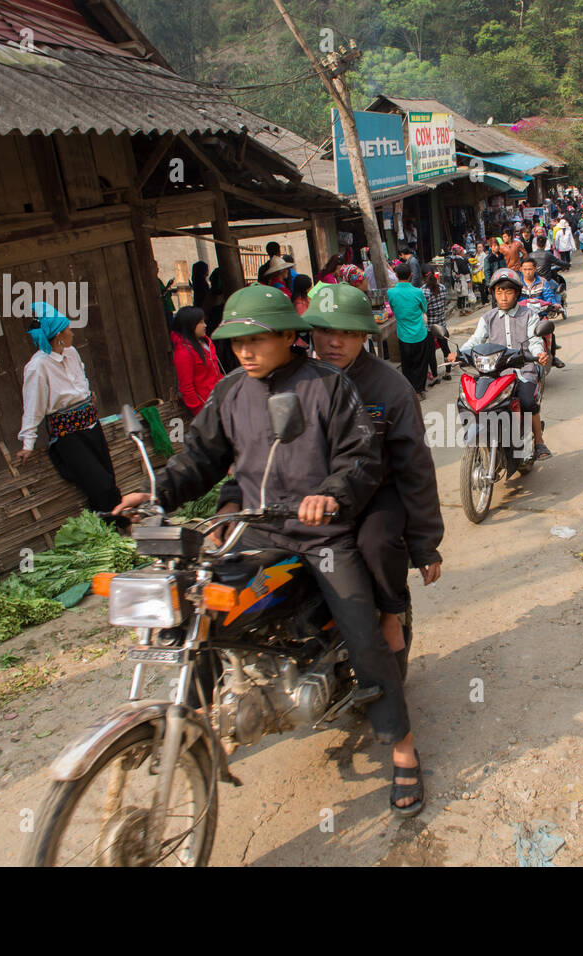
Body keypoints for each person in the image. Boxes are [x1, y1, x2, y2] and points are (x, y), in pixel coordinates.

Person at [114, 285, 424, 815]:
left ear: (287, 335)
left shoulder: (327, 385)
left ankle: (402, 749)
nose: (245, 351)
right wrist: (158, 492)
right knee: (202, 610)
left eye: (256, 340)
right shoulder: (231, 390)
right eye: (235, 342)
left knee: (363, 632)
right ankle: (186, 730)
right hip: (254, 531)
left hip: (321, 534)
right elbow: (201, 458)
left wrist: (329, 495)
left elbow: (361, 459)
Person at [298, 284, 444, 678]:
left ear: (365, 335)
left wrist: (426, 544)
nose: (333, 342)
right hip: (314, 500)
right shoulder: (297, 382)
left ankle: (392, 616)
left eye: (346, 332)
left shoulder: (390, 388)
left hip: (377, 497)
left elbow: (416, 467)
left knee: (375, 542)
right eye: (325, 330)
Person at [16, 301, 124, 522]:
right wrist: (28, 443)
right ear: (58, 336)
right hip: (70, 437)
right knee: (100, 484)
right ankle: (122, 524)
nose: (72, 333)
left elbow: (79, 378)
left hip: (92, 426)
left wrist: (85, 395)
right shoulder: (38, 367)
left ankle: (108, 530)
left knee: (108, 478)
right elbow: (32, 406)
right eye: (68, 329)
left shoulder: (72, 353)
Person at [448, 268, 553, 460]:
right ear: (494, 294)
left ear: (516, 294)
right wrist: (459, 354)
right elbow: (475, 340)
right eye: (499, 292)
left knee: (528, 402)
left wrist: (539, 354)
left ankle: (539, 442)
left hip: (523, 369)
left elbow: (535, 340)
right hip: (495, 372)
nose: (503, 297)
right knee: (475, 402)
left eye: (508, 292)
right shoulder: (488, 318)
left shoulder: (528, 315)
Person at [385, 263, 432, 398]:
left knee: (407, 364)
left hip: (403, 334)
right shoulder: (417, 292)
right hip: (419, 333)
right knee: (420, 363)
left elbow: (393, 310)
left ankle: (410, 389)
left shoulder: (391, 292)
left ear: (396, 275)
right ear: (411, 275)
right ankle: (418, 390)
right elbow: (424, 308)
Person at [169, 306, 223, 417]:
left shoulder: (204, 344)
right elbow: (186, 388)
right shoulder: (183, 353)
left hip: (219, 400)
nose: (205, 325)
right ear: (190, 325)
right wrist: (200, 413)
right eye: (201, 322)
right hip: (207, 408)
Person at [421, 268, 451, 387]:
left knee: (431, 352)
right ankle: (448, 372)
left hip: (429, 326)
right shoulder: (442, 288)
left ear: (423, 278)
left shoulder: (422, 291)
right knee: (445, 348)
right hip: (441, 323)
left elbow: (423, 309)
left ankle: (435, 376)